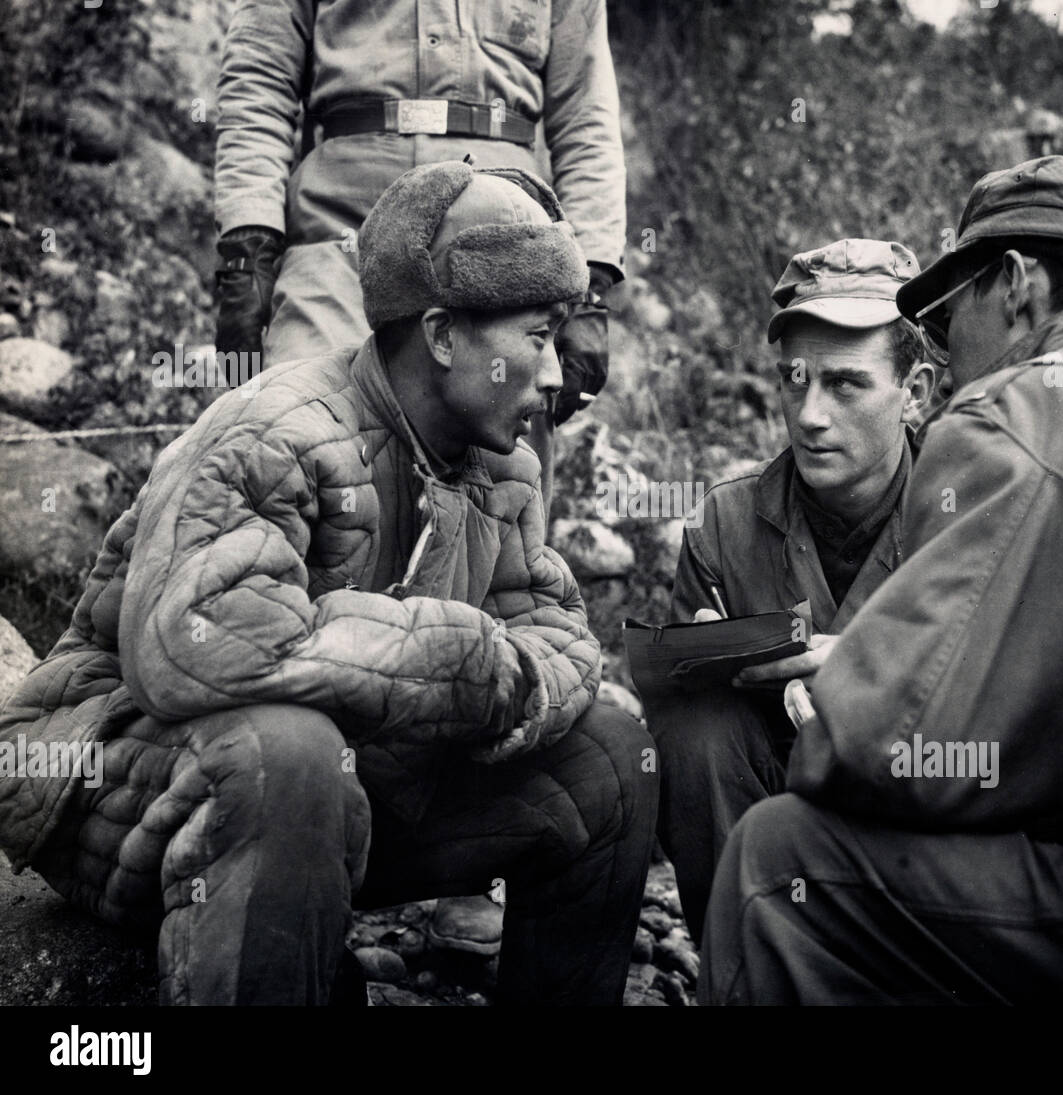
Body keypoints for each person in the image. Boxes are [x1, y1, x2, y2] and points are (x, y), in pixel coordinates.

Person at [0, 162, 657, 1006]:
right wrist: (459, 661)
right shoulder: (279, 426)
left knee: (610, 753)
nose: (559, 375)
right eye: (537, 338)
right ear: (444, 335)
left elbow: (562, 640)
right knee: (290, 751)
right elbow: (195, 645)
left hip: (343, 794)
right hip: (121, 775)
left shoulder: (504, 469)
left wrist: (505, 679)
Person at [699, 156, 1063, 1005]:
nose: (943, 353)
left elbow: (910, 758)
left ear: (1017, 286)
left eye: (950, 316)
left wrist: (856, 686)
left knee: (780, 860)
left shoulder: (1024, 402)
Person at [213, 0, 628, 500]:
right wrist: (248, 241)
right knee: (294, 431)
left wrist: (591, 281)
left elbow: (586, 113)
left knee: (502, 480)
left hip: (505, 234)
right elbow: (260, 78)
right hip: (342, 225)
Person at [647, 239, 936, 943]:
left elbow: (1015, 714)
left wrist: (870, 671)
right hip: (768, 820)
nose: (808, 414)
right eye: (793, 380)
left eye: (844, 384)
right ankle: (741, 970)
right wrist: (710, 662)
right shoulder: (726, 521)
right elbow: (678, 720)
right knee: (697, 727)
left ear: (916, 395)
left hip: (920, 819)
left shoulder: (967, 518)